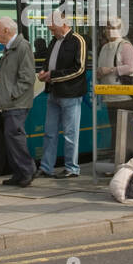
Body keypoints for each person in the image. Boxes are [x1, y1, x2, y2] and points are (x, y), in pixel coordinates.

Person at [37, 10, 87, 178]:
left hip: (70, 93)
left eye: (53, 28)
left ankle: (72, 168)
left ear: (63, 24)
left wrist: (53, 76)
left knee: (70, 133)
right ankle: (46, 167)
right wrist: (44, 71)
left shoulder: (77, 40)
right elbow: (48, 62)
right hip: (53, 91)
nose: (51, 31)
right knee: (49, 132)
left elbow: (79, 69)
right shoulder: (54, 41)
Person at [0, 16, 36, 187]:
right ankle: (19, 173)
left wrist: (11, 94)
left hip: (17, 103)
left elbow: (27, 77)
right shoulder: (10, 48)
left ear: (6, 31)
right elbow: (11, 73)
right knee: (11, 138)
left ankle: (27, 171)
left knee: (16, 138)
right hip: (11, 102)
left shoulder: (21, 47)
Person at [96, 17, 133, 163]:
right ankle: (117, 161)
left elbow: (132, 67)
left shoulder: (125, 46)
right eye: (107, 27)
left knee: (124, 132)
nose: (109, 30)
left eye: (112, 27)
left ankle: (126, 161)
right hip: (110, 97)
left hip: (124, 97)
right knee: (115, 130)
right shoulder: (104, 47)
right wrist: (99, 73)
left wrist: (110, 70)